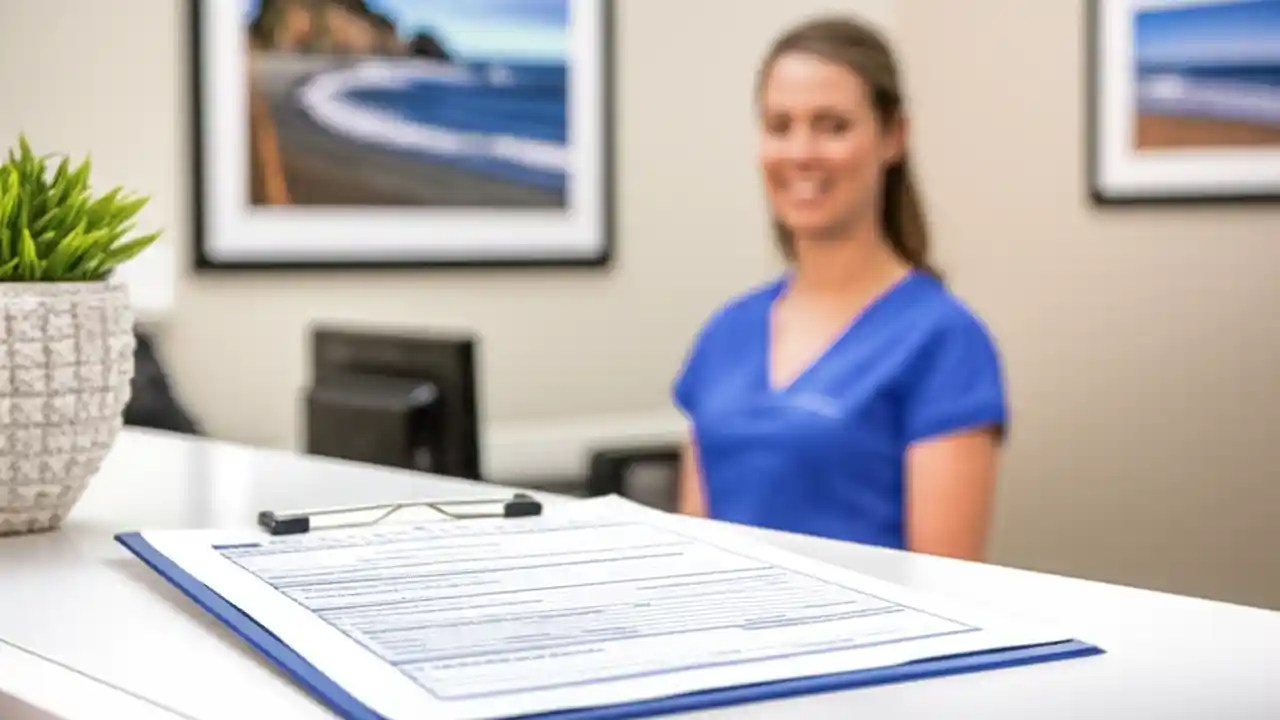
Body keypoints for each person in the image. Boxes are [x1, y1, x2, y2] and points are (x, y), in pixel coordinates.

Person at [672, 16, 1007, 561]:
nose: (800, 152)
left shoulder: (945, 342)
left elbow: (949, 593)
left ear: (893, 137)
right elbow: (692, 554)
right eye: (780, 125)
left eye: (832, 125)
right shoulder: (724, 334)